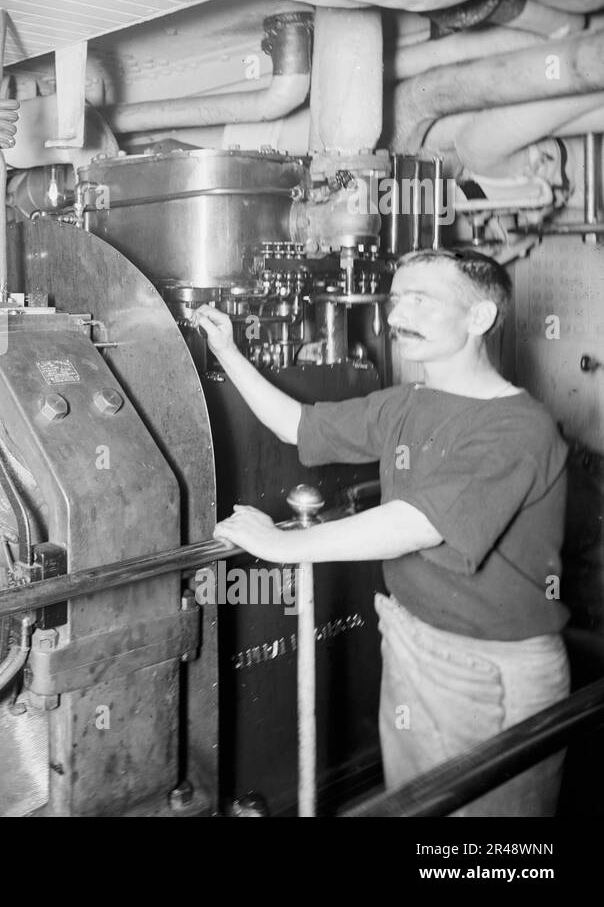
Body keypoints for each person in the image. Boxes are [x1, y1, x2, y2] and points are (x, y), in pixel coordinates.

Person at [193, 247, 570, 816]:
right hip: (412, 638)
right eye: (397, 299)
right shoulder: (409, 403)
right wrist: (227, 351)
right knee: (417, 814)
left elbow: (415, 525)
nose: (397, 315)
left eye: (422, 299)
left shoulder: (520, 426)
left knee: (489, 853)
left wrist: (284, 544)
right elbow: (298, 426)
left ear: (480, 318)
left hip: (487, 667)